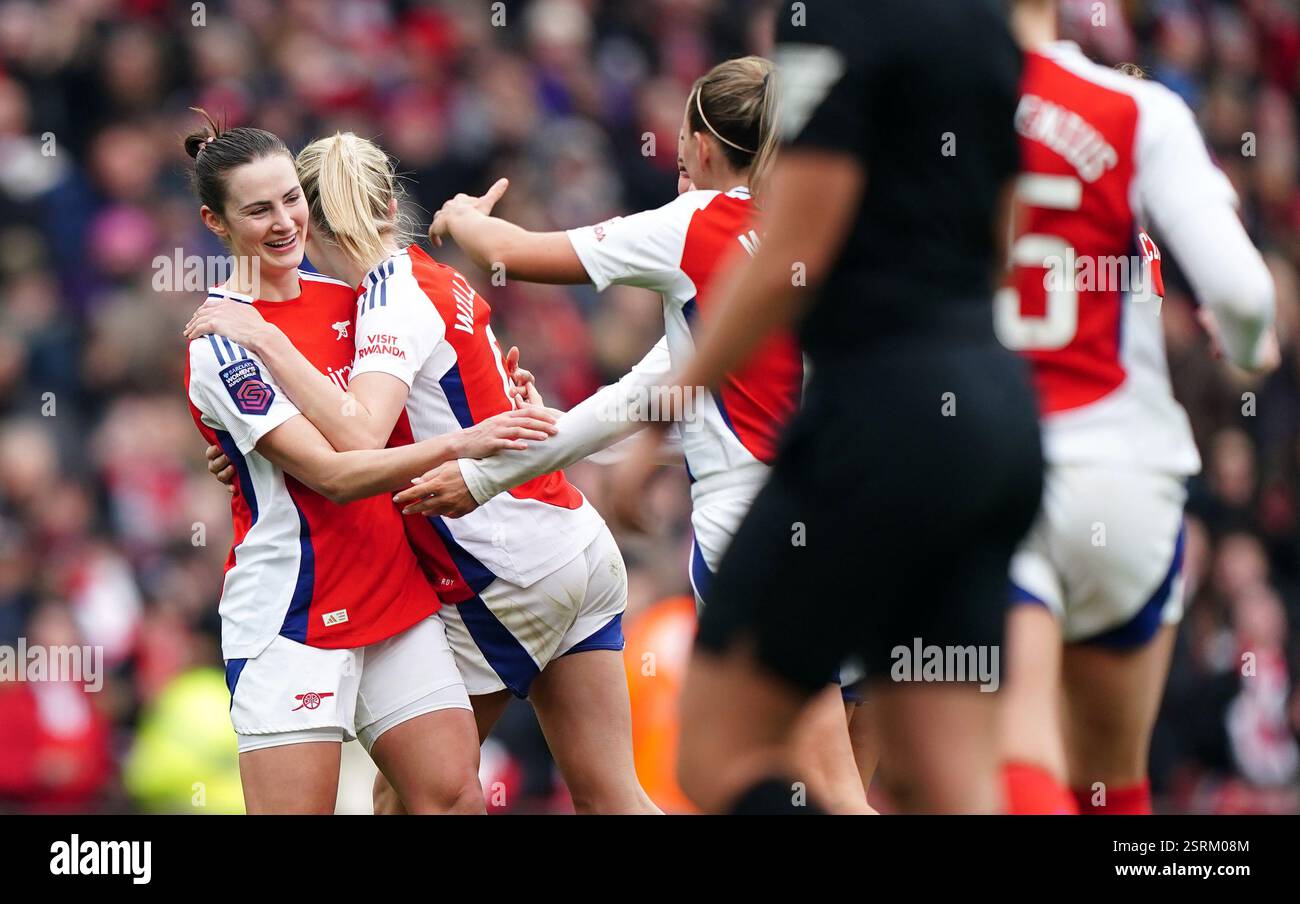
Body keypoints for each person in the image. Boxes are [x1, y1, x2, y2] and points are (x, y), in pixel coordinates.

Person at [404, 56, 871, 812]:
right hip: (869, 520)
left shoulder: (694, 225)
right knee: (835, 787)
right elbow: (634, 399)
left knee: (812, 790)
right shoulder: (819, 232)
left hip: (767, 529)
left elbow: (511, 254)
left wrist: (460, 217)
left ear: (703, 144)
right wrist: (488, 474)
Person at [613, 0, 1040, 813]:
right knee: (939, 784)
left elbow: (790, 256)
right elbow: (1003, 240)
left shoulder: (835, 20)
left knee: (717, 755)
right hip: (994, 416)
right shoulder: (989, 26)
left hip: (880, 421)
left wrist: (661, 422)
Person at [186, 131, 657, 815]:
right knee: (591, 796)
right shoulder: (227, 335)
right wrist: (240, 445)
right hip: (296, 611)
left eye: (293, 201)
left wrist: (488, 421)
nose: (286, 222)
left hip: (443, 584)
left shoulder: (361, 295)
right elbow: (336, 468)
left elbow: (363, 423)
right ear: (215, 222)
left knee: (436, 799)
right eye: (260, 210)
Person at [997, 0, 1278, 815]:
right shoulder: (1140, 111)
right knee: (1111, 780)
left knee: (1011, 755)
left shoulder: (926, 104)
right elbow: (1244, 294)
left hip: (993, 464)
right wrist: (1250, 342)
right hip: (1129, 483)